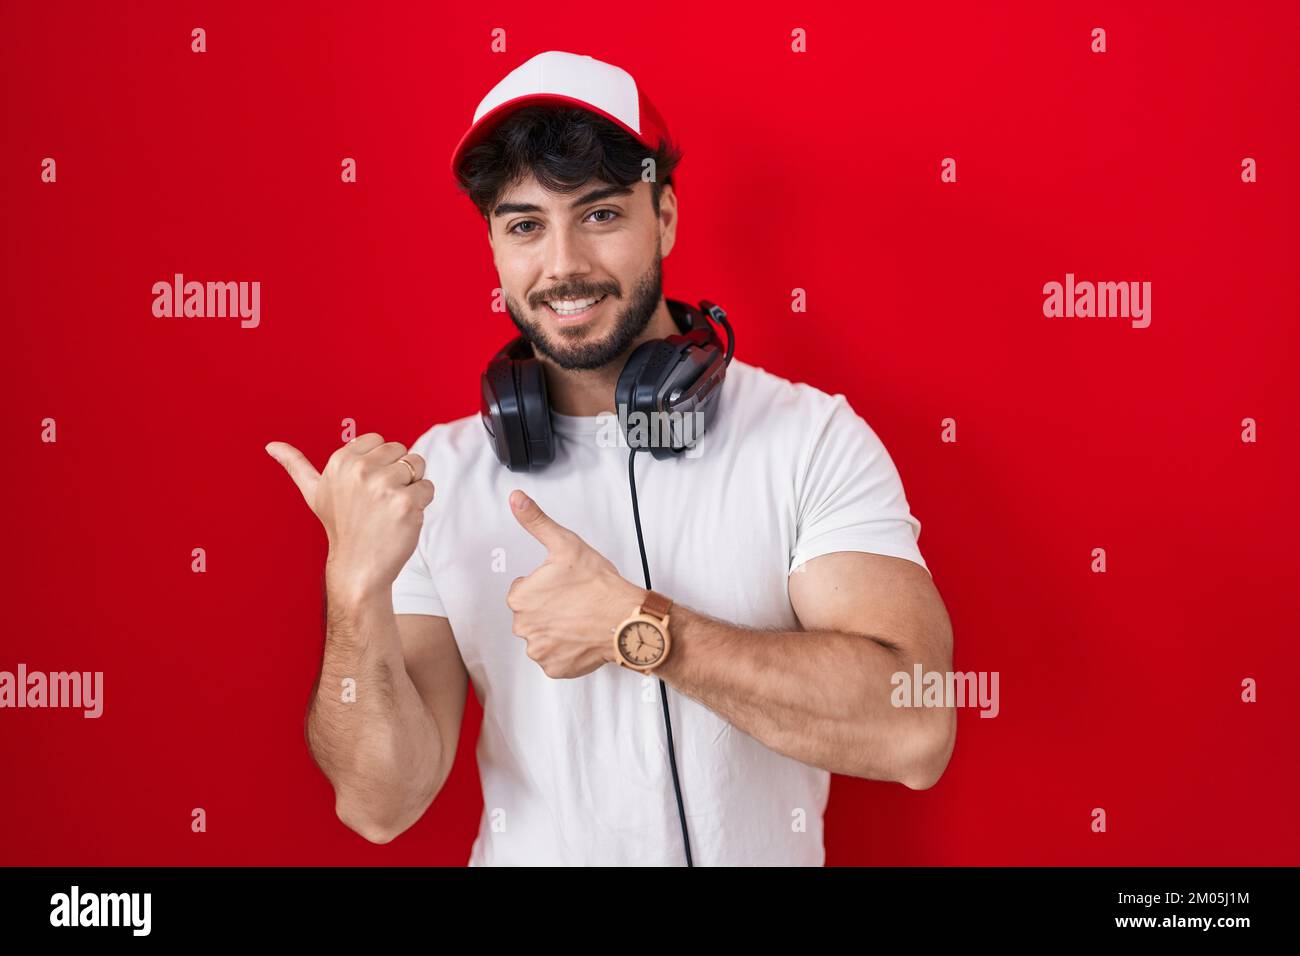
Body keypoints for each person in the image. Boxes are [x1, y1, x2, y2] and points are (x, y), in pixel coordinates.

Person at [266, 50, 954, 866]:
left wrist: (639, 628)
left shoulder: (807, 438)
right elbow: (382, 803)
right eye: (525, 225)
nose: (562, 266)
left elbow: (916, 730)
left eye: (598, 215)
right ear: (493, 245)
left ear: (663, 216)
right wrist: (353, 586)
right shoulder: (436, 477)